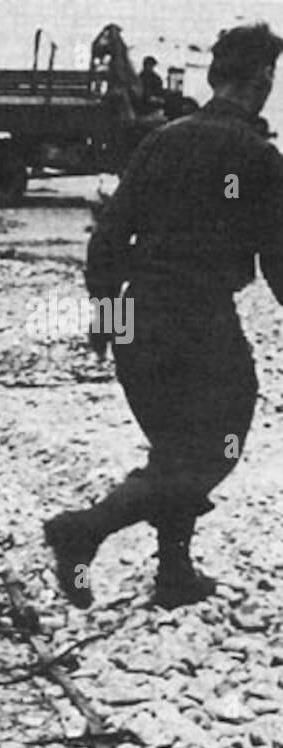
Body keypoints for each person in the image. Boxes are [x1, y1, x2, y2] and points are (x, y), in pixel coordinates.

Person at [46, 23, 283, 610]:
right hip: (197, 321)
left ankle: (174, 573)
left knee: (175, 448)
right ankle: (85, 529)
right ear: (263, 78)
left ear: (212, 76)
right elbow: (278, 257)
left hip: (135, 315)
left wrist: (107, 315)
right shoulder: (256, 157)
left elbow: (107, 234)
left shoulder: (160, 140)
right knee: (218, 445)